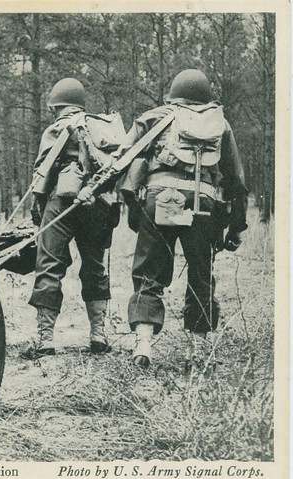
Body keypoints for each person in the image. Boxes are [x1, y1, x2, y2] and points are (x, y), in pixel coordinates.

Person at [118, 69, 248, 368]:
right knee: (201, 273)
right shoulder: (220, 124)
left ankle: (144, 343)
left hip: (160, 198)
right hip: (203, 202)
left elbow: (123, 158)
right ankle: (198, 348)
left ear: (174, 93)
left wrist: (129, 204)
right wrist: (236, 225)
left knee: (149, 270)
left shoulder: (154, 116)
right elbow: (236, 180)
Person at [21, 78, 119, 359]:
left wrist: (38, 213)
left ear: (58, 106)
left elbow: (42, 173)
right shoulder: (99, 127)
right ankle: (98, 334)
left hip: (60, 202)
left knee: (49, 266)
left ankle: (46, 339)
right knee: (95, 265)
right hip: (96, 203)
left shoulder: (56, 128)